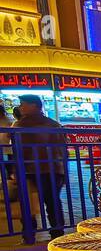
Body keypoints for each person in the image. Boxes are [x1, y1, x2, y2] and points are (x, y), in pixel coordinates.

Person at [13, 94, 67, 239]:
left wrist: (16, 170)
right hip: (53, 168)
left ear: (34, 105)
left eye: (23, 104)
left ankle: (29, 233)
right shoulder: (53, 124)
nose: (21, 107)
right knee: (52, 201)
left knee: (28, 203)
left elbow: (18, 150)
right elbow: (63, 149)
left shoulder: (21, 126)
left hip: (31, 169)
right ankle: (58, 232)